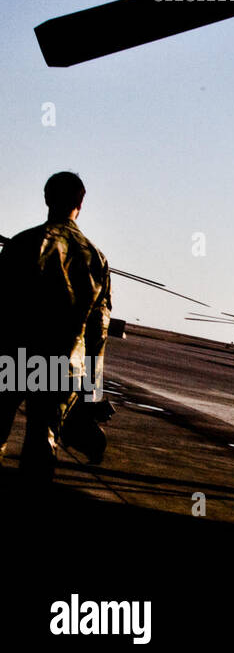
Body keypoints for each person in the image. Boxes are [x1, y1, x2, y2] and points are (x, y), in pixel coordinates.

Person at [0, 172, 112, 481]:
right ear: (81, 204)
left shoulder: (23, 243)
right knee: (43, 439)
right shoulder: (96, 258)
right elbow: (98, 329)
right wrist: (93, 389)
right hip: (63, 364)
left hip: (16, 355)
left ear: (47, 198)